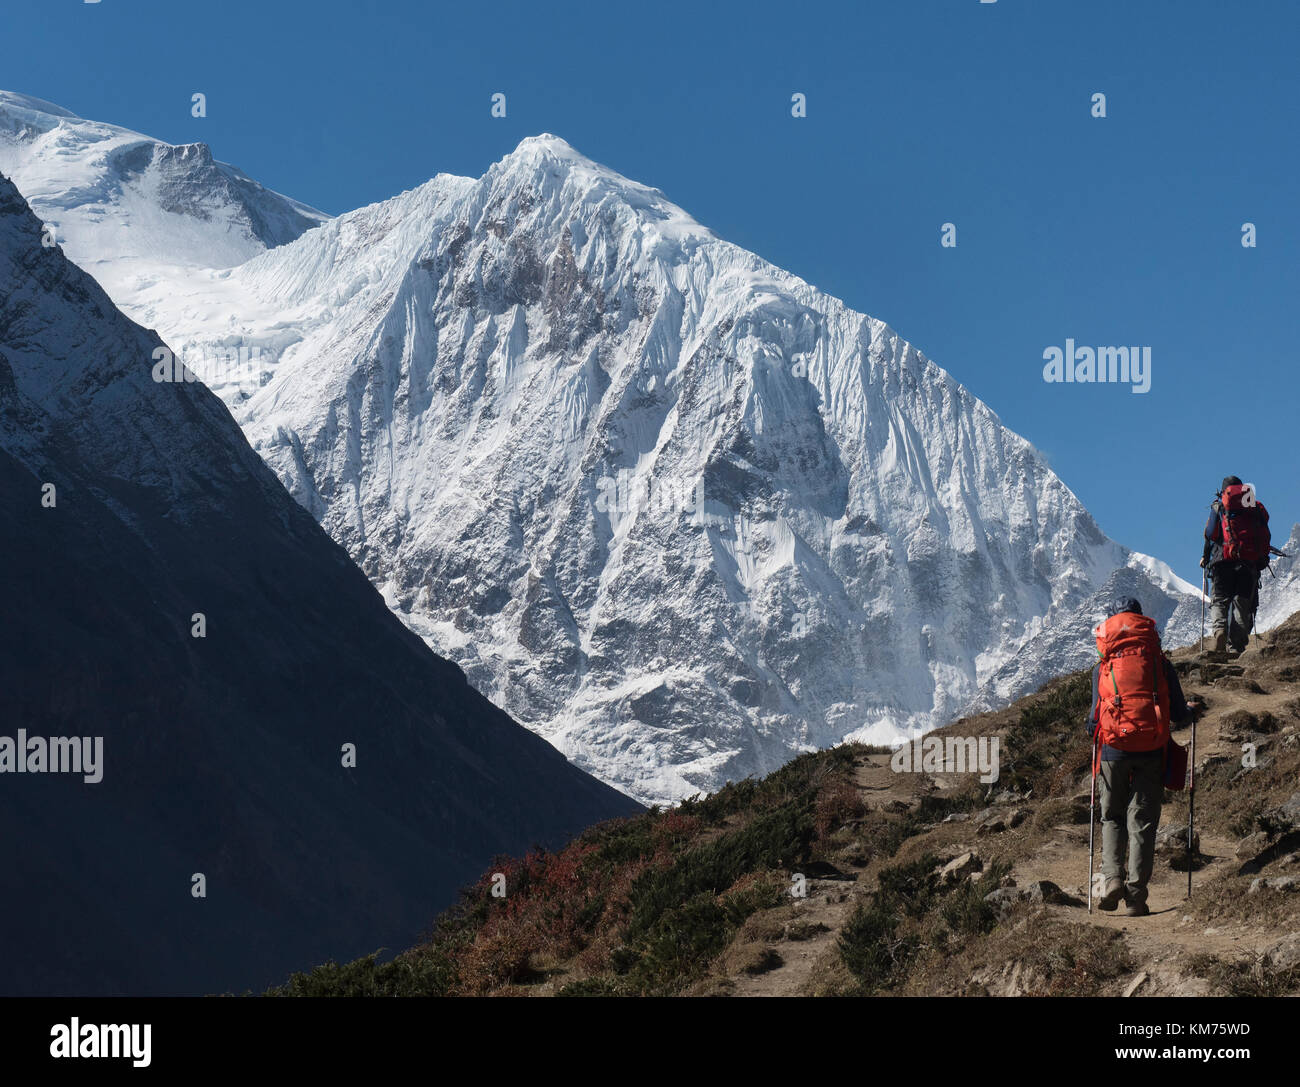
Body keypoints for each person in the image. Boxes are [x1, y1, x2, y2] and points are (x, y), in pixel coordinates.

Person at [1086, 598, 1199, 916]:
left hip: (1112, 750)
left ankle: (1111, 881)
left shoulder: (1103, 667)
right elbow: (1177, 713)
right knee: (1143, 822)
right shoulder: (1160, 663)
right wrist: (1191, 712)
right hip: (1152, 748)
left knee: (1112, 817)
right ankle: (1136, 898)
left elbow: (1093, 721)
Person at [1201, 475, 1270, 655]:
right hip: (1248, 563)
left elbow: (1210, 534)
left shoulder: (1219, 506)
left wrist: (1204, 557)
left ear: (1223, 491)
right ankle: (1236, 647)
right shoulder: (1254, 508)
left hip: (1222, 562)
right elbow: (1264, 534)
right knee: (1242, 603)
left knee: (1219, 601)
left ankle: (1220, 631)